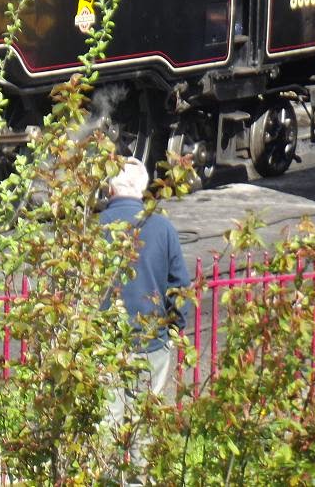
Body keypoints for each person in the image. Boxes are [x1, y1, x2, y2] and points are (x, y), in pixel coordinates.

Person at [101, 158, 191, 459]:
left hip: (105, 346)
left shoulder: (94, 228)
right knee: (145, 429)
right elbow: (179, 288)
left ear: (109, 187)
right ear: (142, 188)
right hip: (152, 342)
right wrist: (175, 327)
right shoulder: (163, 227)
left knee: (106, 429)